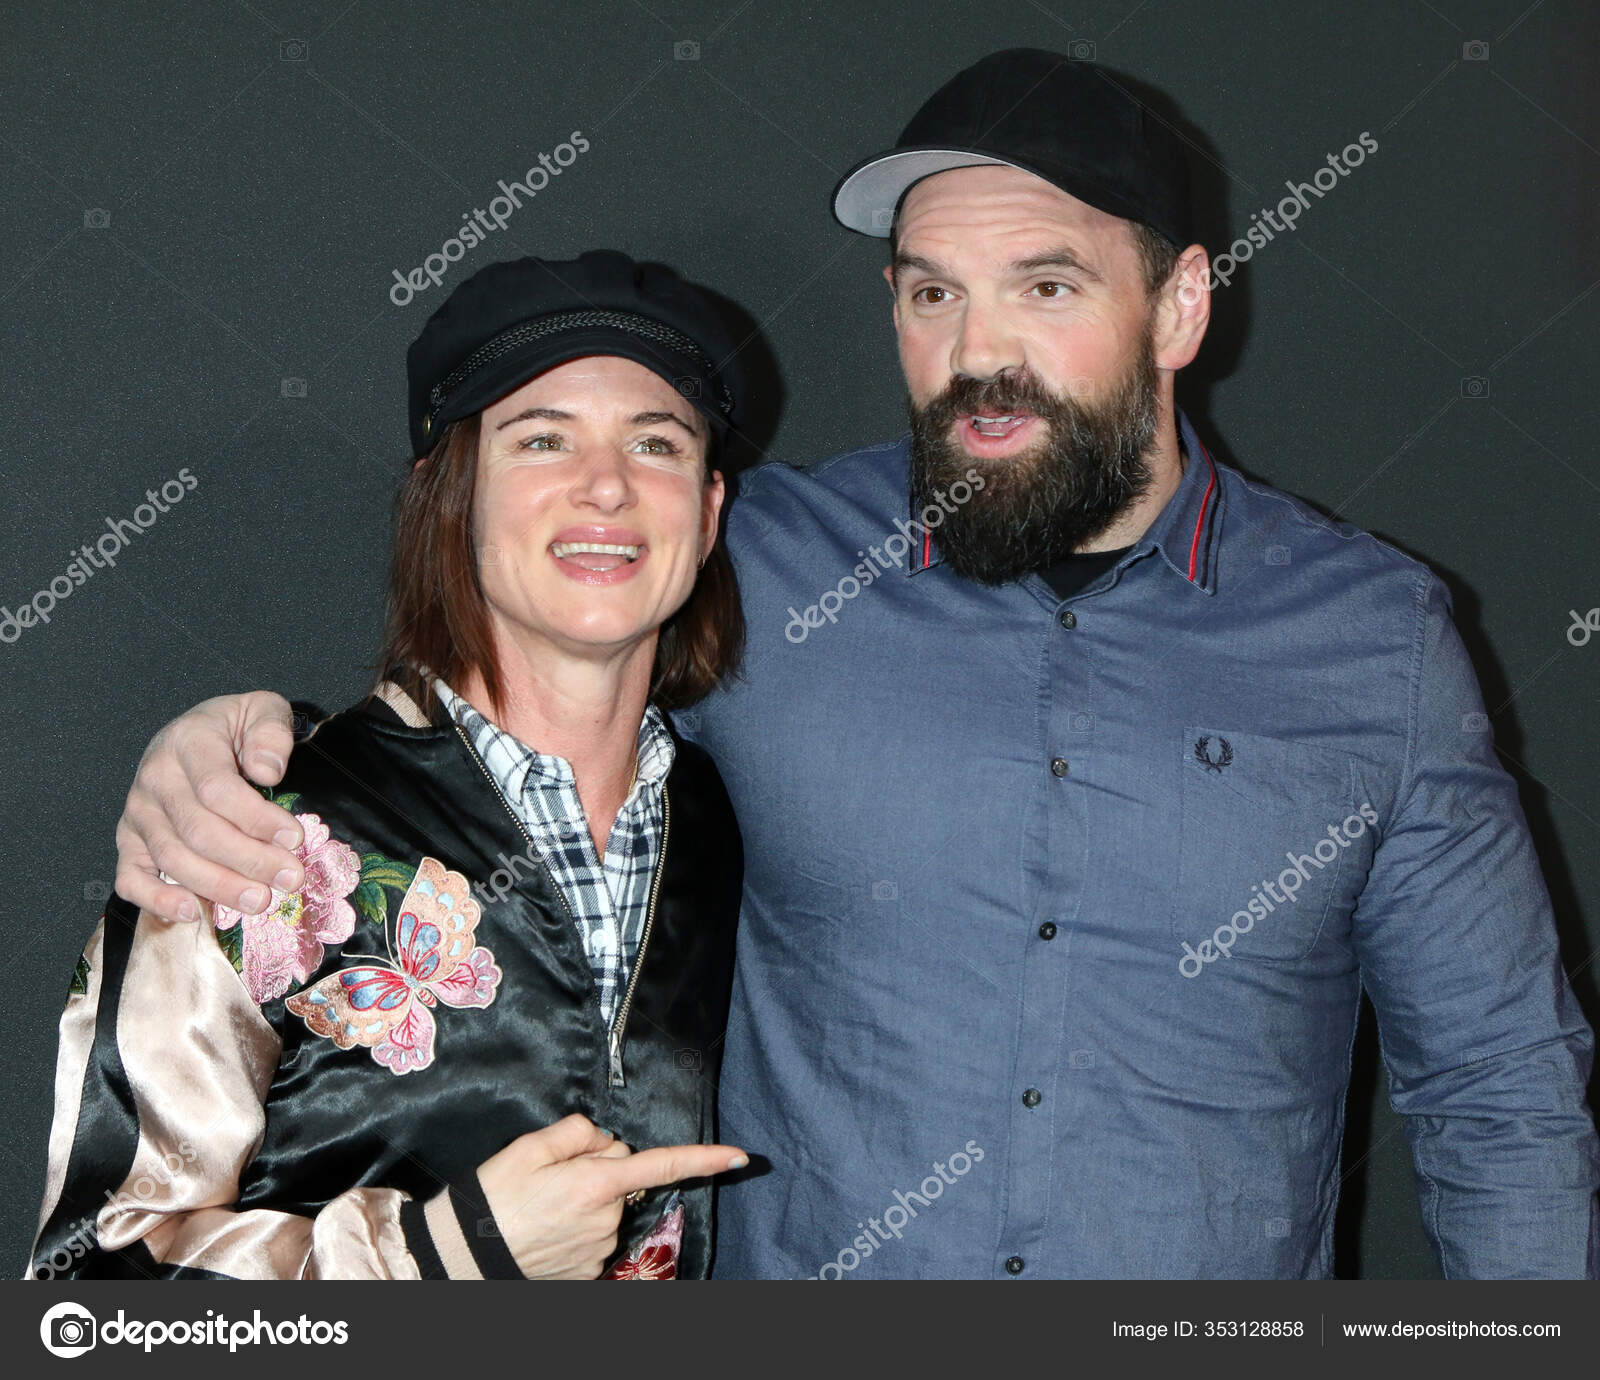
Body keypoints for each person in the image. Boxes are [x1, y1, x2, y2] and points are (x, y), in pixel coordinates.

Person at [105, 51, 1599, 1278]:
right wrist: (239, 742)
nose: (978, 347)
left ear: (1184, 306)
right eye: (930, 290)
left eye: (1049, 286)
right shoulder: (760, 562)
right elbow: (498, 712)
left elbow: (1502, 1094)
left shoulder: (1377, 637)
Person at [29, 250, 751, 1281]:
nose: (606, 485)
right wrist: (443, 1255)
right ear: (450, 496)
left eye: (657, 443)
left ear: (710, 508)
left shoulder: (728, 823)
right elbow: (88, 1304)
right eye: (541, 439)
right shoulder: (252, 832)